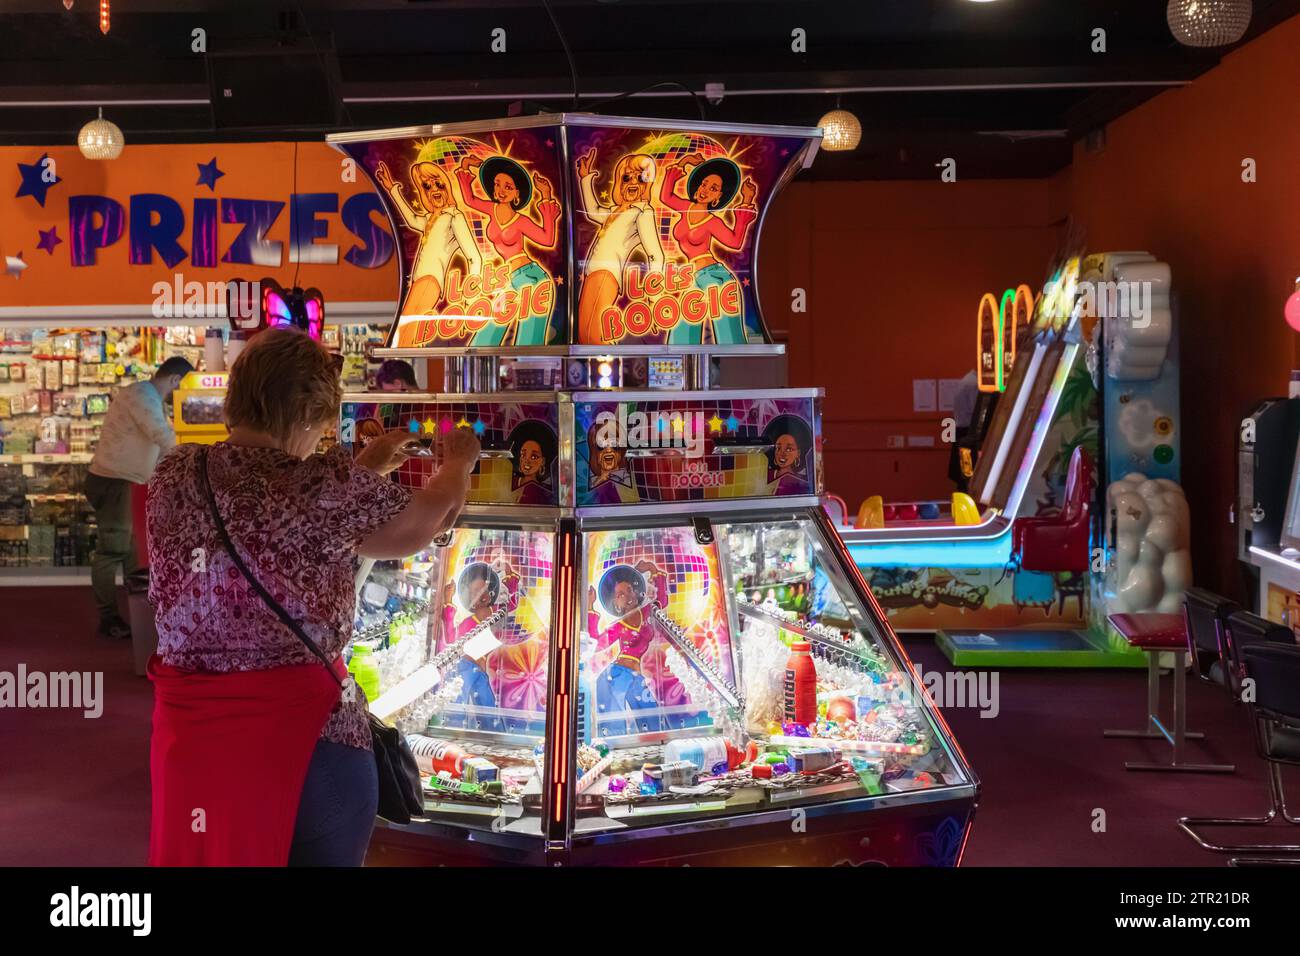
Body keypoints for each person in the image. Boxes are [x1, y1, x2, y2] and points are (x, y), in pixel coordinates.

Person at [145, 328, 480, 867]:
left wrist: (361, 469)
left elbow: (263, 519)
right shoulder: (321, 485)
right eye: (322, 428)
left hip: (194, 740)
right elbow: (423, 521)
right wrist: (459, 463)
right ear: (307, 415)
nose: (323, 439)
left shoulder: (173, 473)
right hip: (303, 743)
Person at [84, 355, 193, 640]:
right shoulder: (142, 394)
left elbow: (156, 446)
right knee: (113, 550)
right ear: (175, 380)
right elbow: (162, 436)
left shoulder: (147, 397)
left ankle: (138, 616)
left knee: (133, 552)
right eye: (183, 388)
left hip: (122, 482)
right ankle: (108, 619)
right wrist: (193, 459)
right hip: (114, 482)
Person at [659, 153, 757, 345]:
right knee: (681, 336)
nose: (705, 190)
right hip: (691, 277)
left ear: (717, 197)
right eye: (704, 184)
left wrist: (746, 200)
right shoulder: (685, 207)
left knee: (730, 339)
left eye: (713, 189)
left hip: (715, 276)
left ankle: (736, 371)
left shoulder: (713, 221)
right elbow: (665, 196)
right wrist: (684, 163)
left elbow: (736, 242)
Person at [574, 146, 664, 344]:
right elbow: (592, 212)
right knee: (583, 334)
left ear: (647, 183)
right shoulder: (616, 209)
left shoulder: (643, 211)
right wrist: (586, 178)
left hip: (607, 274)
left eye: (640, 178)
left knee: (594, 334)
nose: (633, 182)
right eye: (627, 177)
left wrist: (654, 295)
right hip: (592, 273)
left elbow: (656, 255)